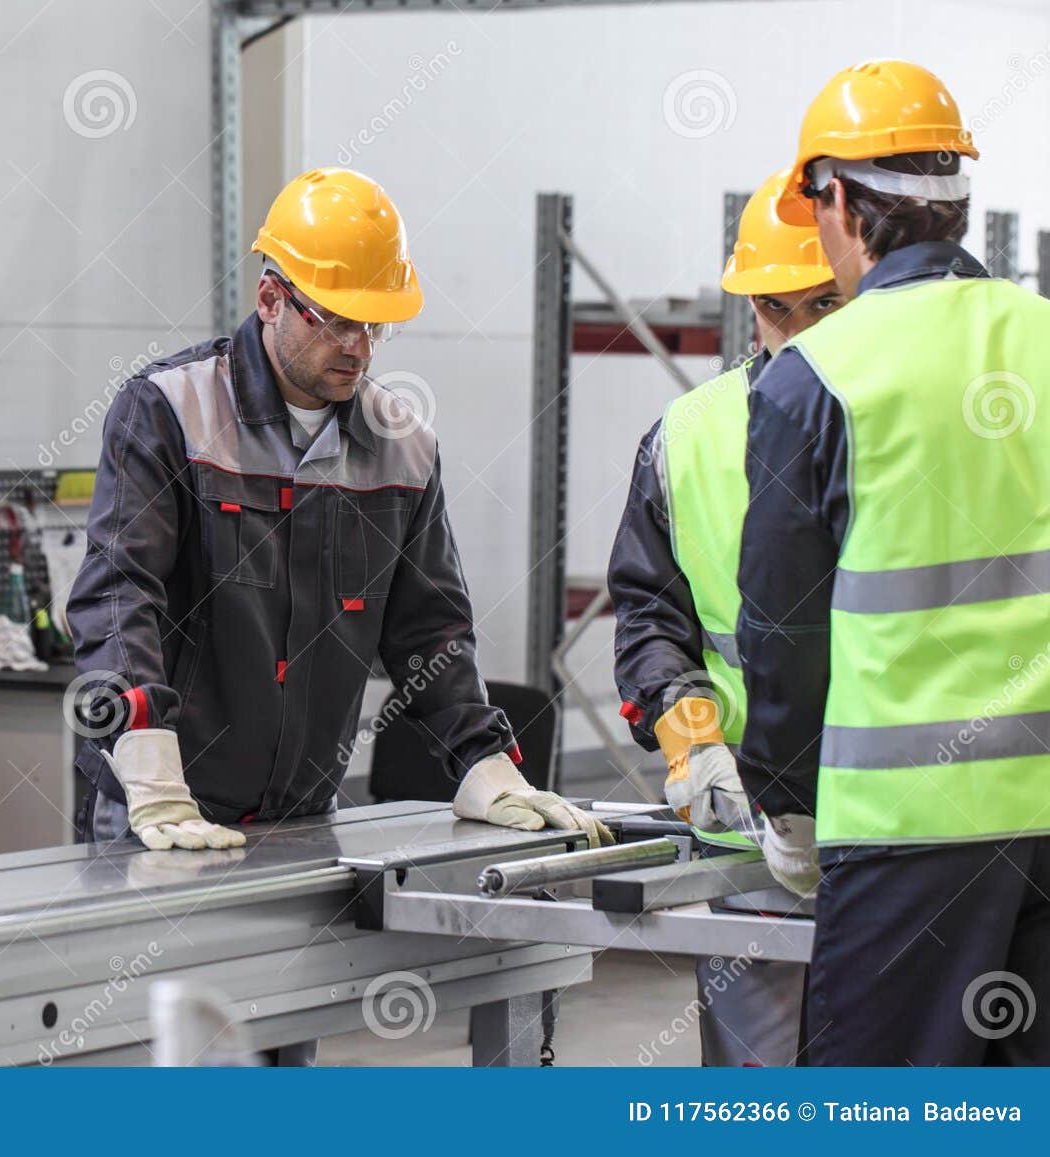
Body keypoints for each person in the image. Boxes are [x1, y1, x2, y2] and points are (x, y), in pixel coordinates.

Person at [67, 167, 612, 855]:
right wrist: (143, 748)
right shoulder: (169, 412)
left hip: (305, 811)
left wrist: (484, 761)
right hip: (159, 806)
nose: (359, 347)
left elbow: (430, 632)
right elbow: (120, 589)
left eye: (375, 325)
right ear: (271, 299)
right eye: (339, 321)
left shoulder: (402, 448)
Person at [736, 59, 1050, 1065]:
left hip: (908, 836)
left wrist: (784, 803)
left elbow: (783, 631)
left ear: (836, 199)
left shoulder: (814, 378)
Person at [608, 170, 842, 1065]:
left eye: (827, 304)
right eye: (788, 308)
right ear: (756, 311)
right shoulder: (688, 436)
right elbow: (651, 615)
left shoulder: (913, 425)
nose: (808, 330)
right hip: (749, 828)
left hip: (901, 828)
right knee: (755, 1093)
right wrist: (691, 741)